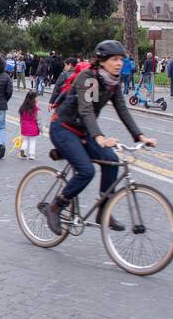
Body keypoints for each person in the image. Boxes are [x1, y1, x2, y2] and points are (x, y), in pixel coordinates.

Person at [45, 40, 156, 235]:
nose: (119, 63)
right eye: (115, 59)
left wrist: (140, 136)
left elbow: (122, 109)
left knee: (111, 160)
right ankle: (55, 207)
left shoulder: (112, 81)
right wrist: (99, 137)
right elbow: (86, 109)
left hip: (84, 131)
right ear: (102, 61)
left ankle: (103, 209)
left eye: (121, 59)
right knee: (86, 171)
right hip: (64, 127)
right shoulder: (90, 78)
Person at [18, 90, 40, 159]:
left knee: (25, 139)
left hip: (24, 126)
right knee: (32, 140)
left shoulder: (23, 107)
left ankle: (23, 149)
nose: (37, 99)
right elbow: (38, 118)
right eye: (36, 97)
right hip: (33, 126)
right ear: (34, 99)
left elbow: (21, 118)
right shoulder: (35, 108)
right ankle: (32, 154)